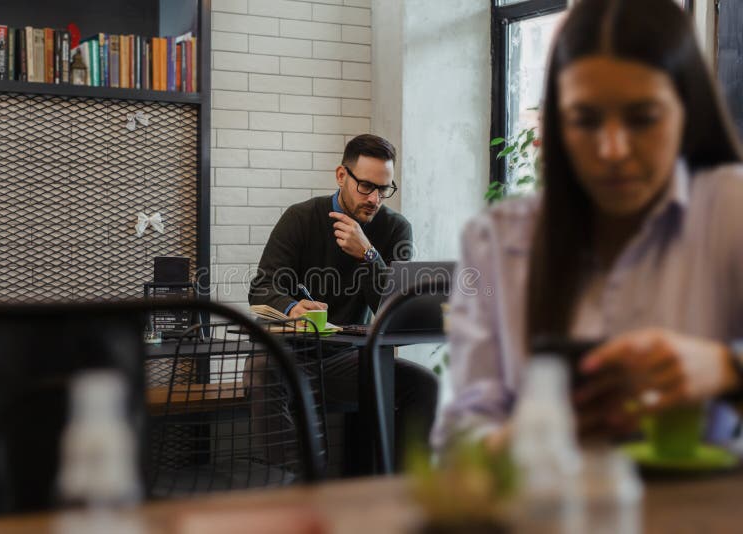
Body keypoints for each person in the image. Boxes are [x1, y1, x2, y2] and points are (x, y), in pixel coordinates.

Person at [433, 0, 743, 450]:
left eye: (643, 118)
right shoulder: (497, 240)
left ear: (687, 113)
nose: (613, 149)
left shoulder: (729, 208)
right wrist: (528, 437)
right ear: (557, 126)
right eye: (586, 120)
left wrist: (726, 369)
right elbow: (457, 442)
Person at [248, 134, 438, 466]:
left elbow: (390, 307)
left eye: (384, 189)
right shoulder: (301, 218)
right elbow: (263, 286)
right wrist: (293, 308)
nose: (375, 198)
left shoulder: (395, 229)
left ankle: (408, 495)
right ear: (341, 176)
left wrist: (369, 255)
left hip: (348, 359)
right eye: (366, 186)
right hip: (291, 352)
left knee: (424, 385)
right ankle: (294, 487)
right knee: (262, 368)